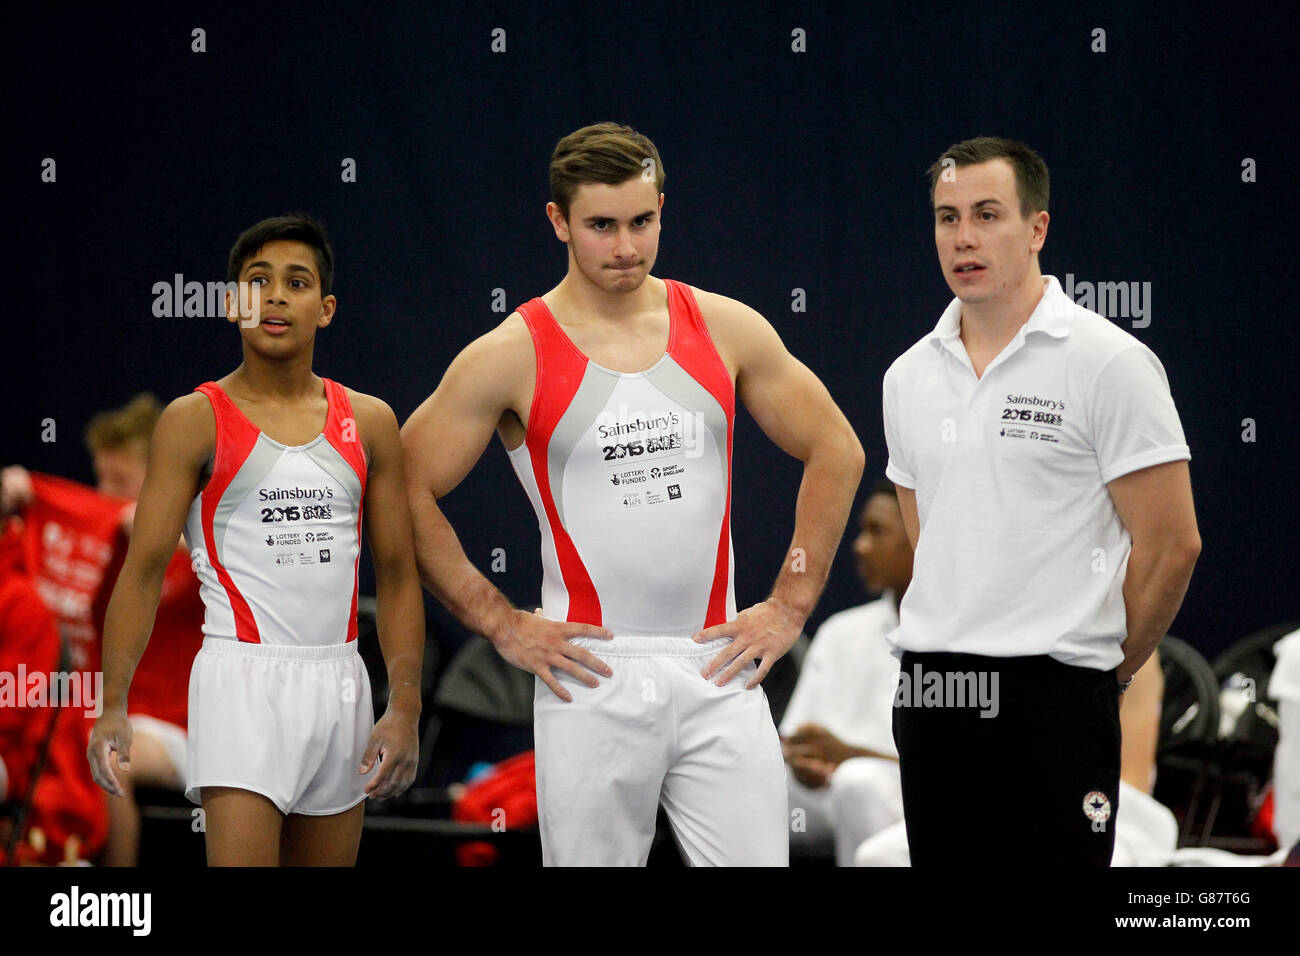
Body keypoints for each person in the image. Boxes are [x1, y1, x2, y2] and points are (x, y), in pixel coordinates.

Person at [401, 122, 864, 865]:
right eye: (601, 226)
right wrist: (499, 621)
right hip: (593, 675)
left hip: (718, 666)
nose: (625, 248)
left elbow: (837, 448)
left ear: (661, 208)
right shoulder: (511, 354)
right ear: (557, 222)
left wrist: (791, 603)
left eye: (642, 221)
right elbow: (399, 485)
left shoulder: (723, 326)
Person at [881, 136, 1201, 866]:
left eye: (987, 214)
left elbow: (1172, 543)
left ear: (1037, 228)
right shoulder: (906, 376)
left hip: (1056, 692)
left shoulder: (1109, 361)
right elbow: (926, 536)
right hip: (934, 688)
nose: (963, 237)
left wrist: (1105, 672)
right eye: (947, 217)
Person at [87, 215, 425, 866]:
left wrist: (404, 707)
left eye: (296, 283)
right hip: (240, 684)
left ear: (325, 309)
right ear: (230, 303)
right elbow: (143, 571)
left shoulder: (372, 422)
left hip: (342, 686)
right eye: (257, 281)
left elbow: (400, 574)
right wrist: (112, 705)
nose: (274, 296)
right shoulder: (194, 421)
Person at [781, 479, 911, 865]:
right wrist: (804, 760)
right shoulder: (841, 630)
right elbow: (793, 736)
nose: (860, 546)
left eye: (878, 531)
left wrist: (848, 757)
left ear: (922, 538)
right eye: (861, 530)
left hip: (905, 795)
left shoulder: (963, 638)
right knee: (742, 781)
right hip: (824, 795)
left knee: (860, 784)